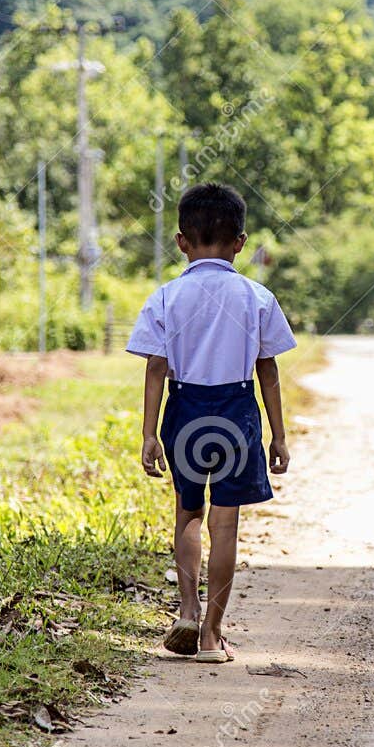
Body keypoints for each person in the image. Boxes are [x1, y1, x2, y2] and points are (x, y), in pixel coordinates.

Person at [125, 182, 295, 664]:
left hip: (184, 413)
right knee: (225, 524)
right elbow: (268, 370)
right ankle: (211, 637)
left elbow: (155, 367)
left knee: (188, 514)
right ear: (241, 242)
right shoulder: (257, 298)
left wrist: (149, 434)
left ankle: (186, 609)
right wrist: (278, 436)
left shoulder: (166, 297)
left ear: (181, 241)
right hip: (236, 412)